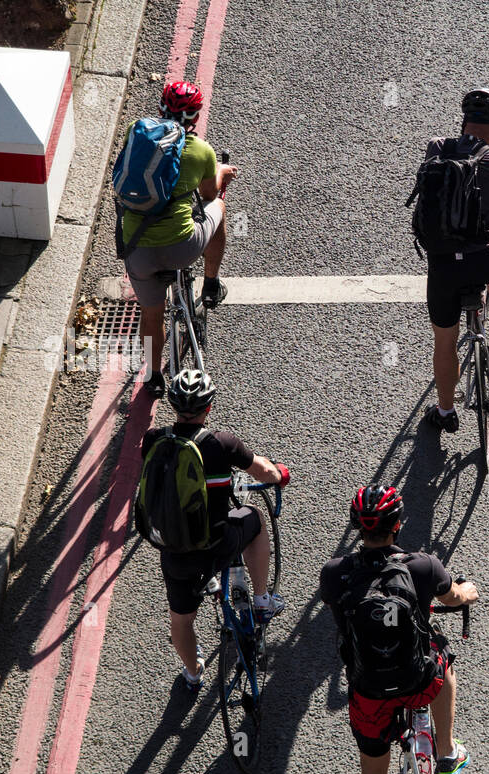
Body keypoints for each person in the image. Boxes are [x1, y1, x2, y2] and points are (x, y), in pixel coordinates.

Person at [319, 486, 478, 774]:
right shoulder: (422, 566)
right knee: (441, 656)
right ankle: (445, 751)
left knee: (372, 769)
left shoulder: (333, 574)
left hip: (368, 692)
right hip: (417, 681)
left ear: (357, 527)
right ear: (399, 525)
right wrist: (467, 593)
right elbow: (453, 597)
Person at [142, 369, 288, 691]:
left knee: (181, 620)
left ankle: (193, 673)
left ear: (173, 406)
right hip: (218, 542)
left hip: (175, 551)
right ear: (208, 407)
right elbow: (262, 471)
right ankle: (262, 599)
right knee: (255, 518)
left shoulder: (153, 440)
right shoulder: (221, 443)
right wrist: (278, 475)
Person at [420, 88, 489, 433]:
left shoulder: (437, 146)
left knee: (445, 341)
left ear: (464, 121)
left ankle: (446, 411)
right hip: (482, 260)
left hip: (442, 264)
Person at [124, 81, 237, 398]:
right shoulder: (201, 151)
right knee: (219, 209)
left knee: (151, 315)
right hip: (182, 246)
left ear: (161, 107)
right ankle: (212, 282)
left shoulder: (137, 130)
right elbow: (209, 194)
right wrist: (221, 172)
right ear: (196, 117)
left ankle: (154, 376)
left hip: (138, 248)